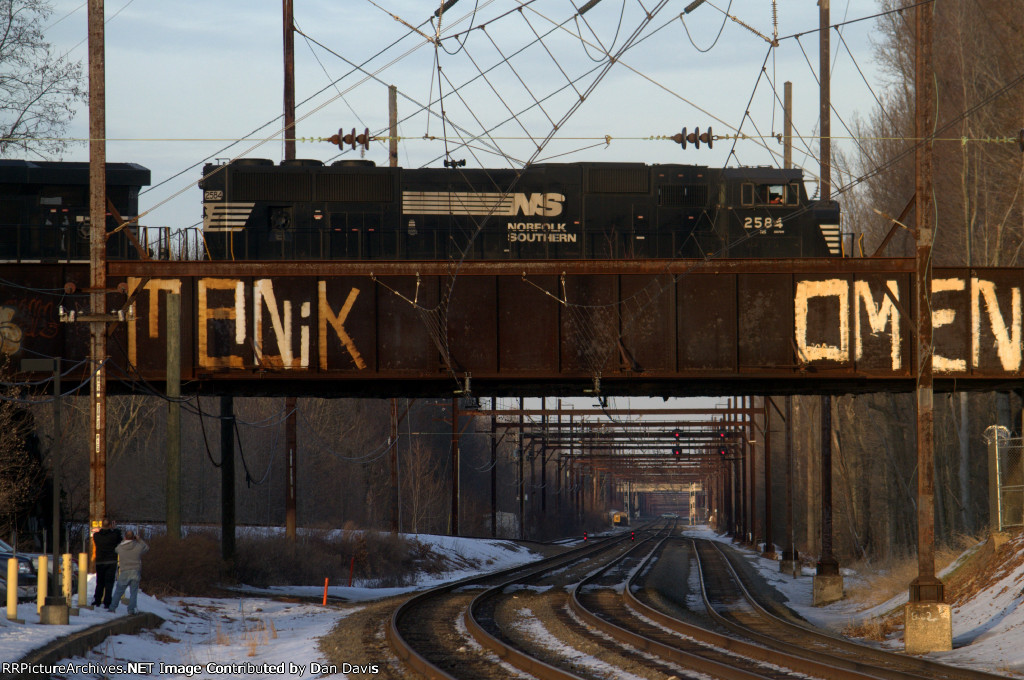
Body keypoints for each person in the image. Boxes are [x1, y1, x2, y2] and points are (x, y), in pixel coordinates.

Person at [108, 530, 149, 615]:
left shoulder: (120, 547)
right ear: (133, 537)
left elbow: (115, 549)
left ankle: (112, 608)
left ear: (125, 537)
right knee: (133, 593)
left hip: (124, 571)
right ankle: (131, 610)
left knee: (119, 591)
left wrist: (123, 541)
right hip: (135, 571)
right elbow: (146, 548)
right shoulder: (138, 546)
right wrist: (139, 540)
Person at [91, 519, 121, 609]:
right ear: (110, 526)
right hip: (111, 561)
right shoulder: (114, 535)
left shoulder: (96, 536)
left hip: (100, 561)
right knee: (109, 583)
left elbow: (97, 534)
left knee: (99, 582)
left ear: (102, 525)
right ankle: (107, 602)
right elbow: (119, 538)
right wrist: (115, 529)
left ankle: (97, 600)